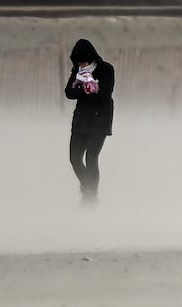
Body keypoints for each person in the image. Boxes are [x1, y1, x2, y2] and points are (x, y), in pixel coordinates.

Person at [64, 39, 114, 202]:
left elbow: (105, 93)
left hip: (100, 120)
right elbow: (69, 92)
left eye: (85, 60)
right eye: (79, 61)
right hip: (81, 120)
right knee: (74, 158)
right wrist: (87, 89)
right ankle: (87, 186)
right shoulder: (77, 71)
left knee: (91, 157)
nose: (83, 64)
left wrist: (87, 88)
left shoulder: (106, 69)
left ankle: (91, 193)